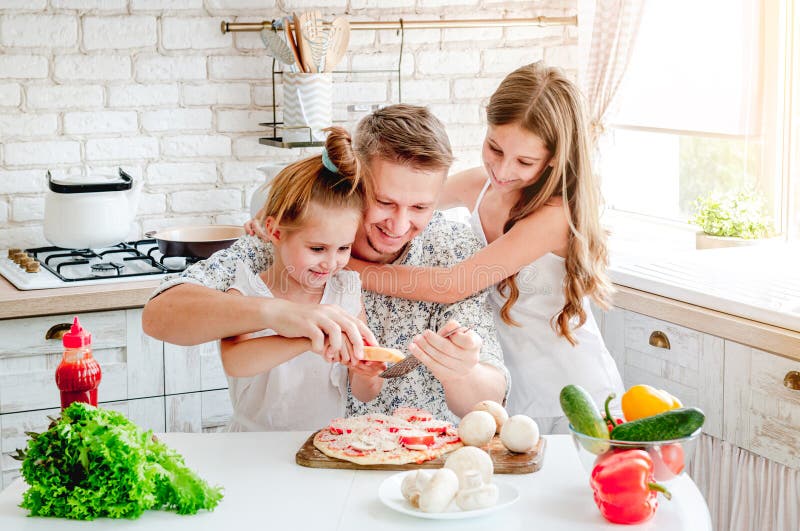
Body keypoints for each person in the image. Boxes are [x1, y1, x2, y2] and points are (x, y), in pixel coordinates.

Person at [143, 104, 509, 425]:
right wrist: (277, 314)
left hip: (413, 463)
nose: (398, 226)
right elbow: (160, 316)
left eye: (419, 208)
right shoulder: (289, 242)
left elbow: (488, 398)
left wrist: (461, 371)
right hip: (294, 459)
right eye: (384, 201)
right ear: (352, 182)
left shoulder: (452, 250)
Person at [347, 63, 624, 434]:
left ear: (554, 159)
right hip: (508, 385)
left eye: (525, 161)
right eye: (494, 147)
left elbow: (453, 285)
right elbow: (404, 198)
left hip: (574, 392)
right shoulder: (479, 185)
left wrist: (347, 268)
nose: (503, 170)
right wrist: (290, 213)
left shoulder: (556, 214)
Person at [219, 128, 385, 431]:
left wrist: (367, 374)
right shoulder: (247, 291)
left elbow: (363, 394)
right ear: (276, 232)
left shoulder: (345, 292)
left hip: (322, 446)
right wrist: (308, 338)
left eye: (343, 248)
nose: (331, 262)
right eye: (317, 248)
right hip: (251, 449)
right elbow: (235, 362)